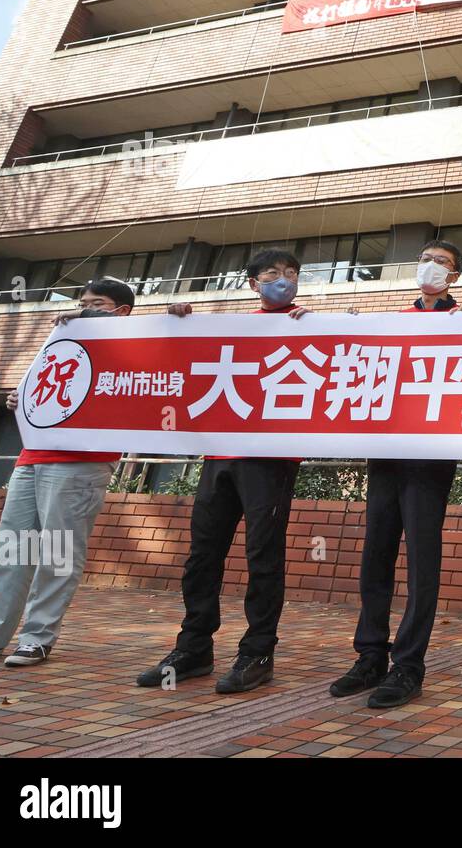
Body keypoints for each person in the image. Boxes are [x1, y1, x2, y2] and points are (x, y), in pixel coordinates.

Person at [136, 249, 311, 694]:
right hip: (218, 457)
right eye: (273, 274)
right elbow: (178, 355)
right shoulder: (231, 326)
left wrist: (322, 325)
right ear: (253, 283)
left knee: (263, 557)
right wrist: (179, 318)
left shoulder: (308, 323)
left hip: (271, 460)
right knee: (202, 557)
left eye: (291, 274)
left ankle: (258, 653)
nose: (284, 280)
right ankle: (193, 647)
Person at [329, 239, 462, 709]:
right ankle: (370, 655)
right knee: (376, 555)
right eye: (425, 259)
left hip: (431, 457)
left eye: (442, 264)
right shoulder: (392, 322)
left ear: (456, 276)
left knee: (422, 562)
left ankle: (408, 665)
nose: (431, 268)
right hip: (385, 452)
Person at [0, 279, 135, 667]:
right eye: (82, 302)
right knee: (14, 549)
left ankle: (37, 637)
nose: (84, 309)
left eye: (98, 304)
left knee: (58, 552)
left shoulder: (130, 350)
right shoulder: (65, 344)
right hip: (31, 458)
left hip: (82, 461)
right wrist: (21, 397)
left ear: (122, 312)